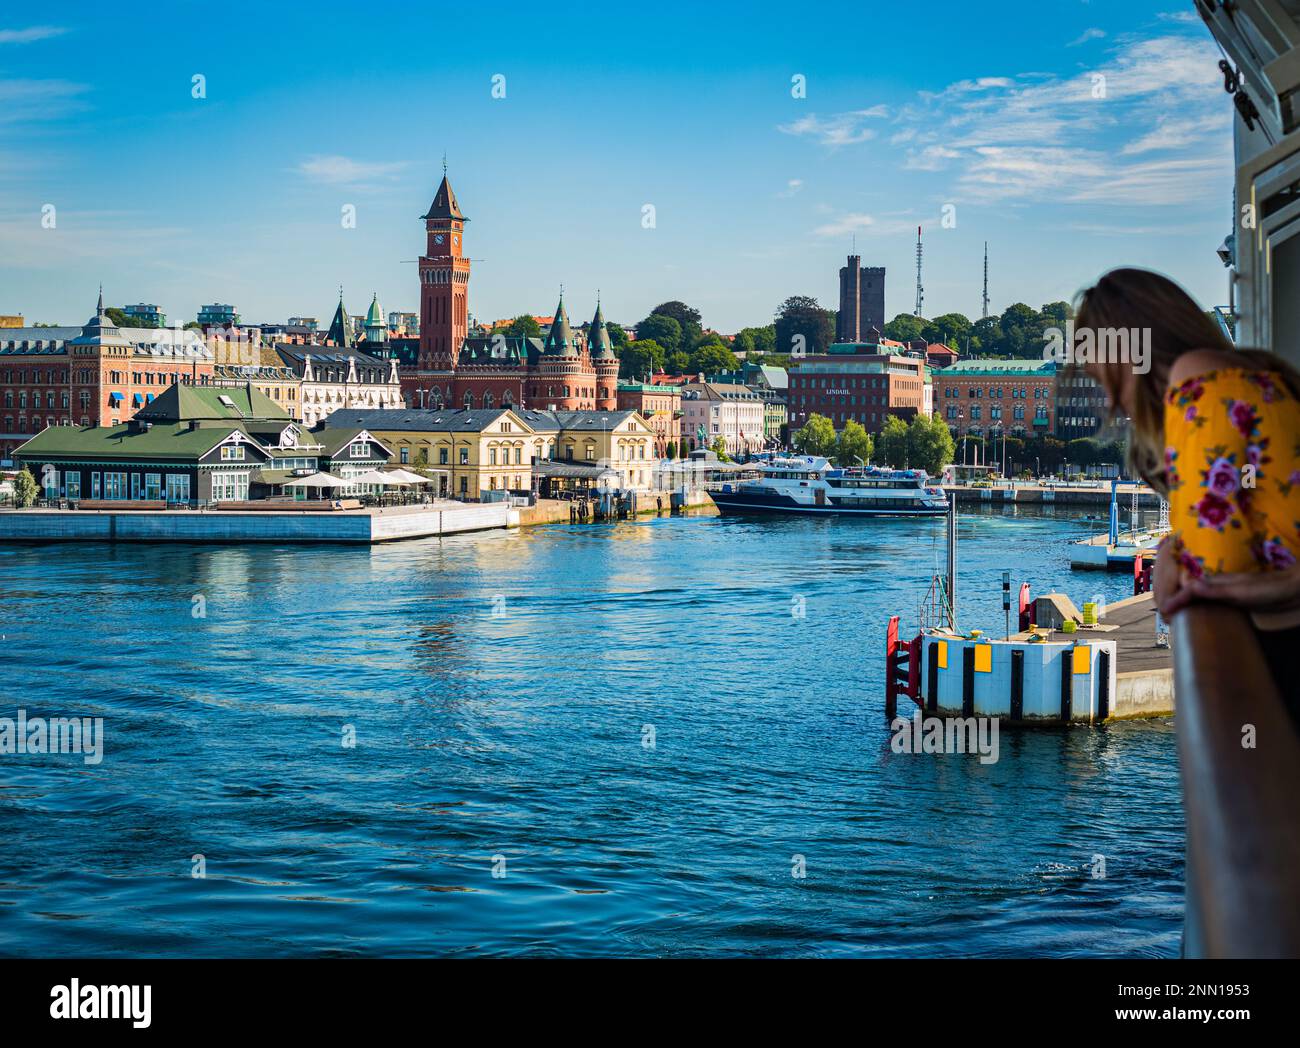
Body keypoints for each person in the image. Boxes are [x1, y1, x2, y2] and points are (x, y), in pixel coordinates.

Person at [1072, 267, 1300, 701]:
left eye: (1106, 379)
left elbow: (1214, 567)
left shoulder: (1198, 389)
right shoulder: (1252, 376)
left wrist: (1177, 563)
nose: (1112, 400)